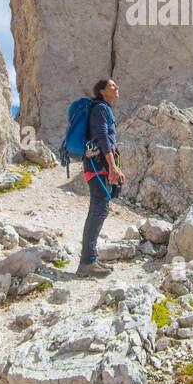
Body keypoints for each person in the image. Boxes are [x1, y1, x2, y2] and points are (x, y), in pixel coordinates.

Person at [78, 78, 125, 277]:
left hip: (99, 166)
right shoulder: (101, 108)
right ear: (102, 91)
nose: (117, 88)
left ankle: (90, 259)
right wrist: (113, 166)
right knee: (99, 210)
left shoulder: (104, 109)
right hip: (99, 167)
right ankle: (87, 263)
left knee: (99, 210)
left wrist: (116, 167)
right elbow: (102, 136)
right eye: (112, 86)